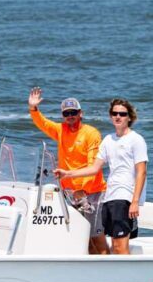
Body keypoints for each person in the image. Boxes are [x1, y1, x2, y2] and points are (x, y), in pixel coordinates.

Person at [55, 99, 148, 255]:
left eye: (122, 114)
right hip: (110, 197)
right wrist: (68, 174)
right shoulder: (108, 140)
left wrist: (135, 201)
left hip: (125, 196)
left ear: (129, 117)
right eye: (114, 113)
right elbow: (94, 168)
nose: (118, 116)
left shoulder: (136, 140)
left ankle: (127, 278)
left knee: (120, 246)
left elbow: (142, 172)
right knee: (112, 244)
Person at [28, 87, 109, 254]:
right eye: (66, 113)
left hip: (92, 193)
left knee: (97, 238)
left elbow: (93, 166)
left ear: (81, 113)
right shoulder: (60, 130)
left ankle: (107, 269)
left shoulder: (91, 133)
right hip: (70, 192)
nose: (70, 116)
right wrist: (33, 108)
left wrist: (82, 190)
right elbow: (42, 123)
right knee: (82, 237)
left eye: (73, 112)